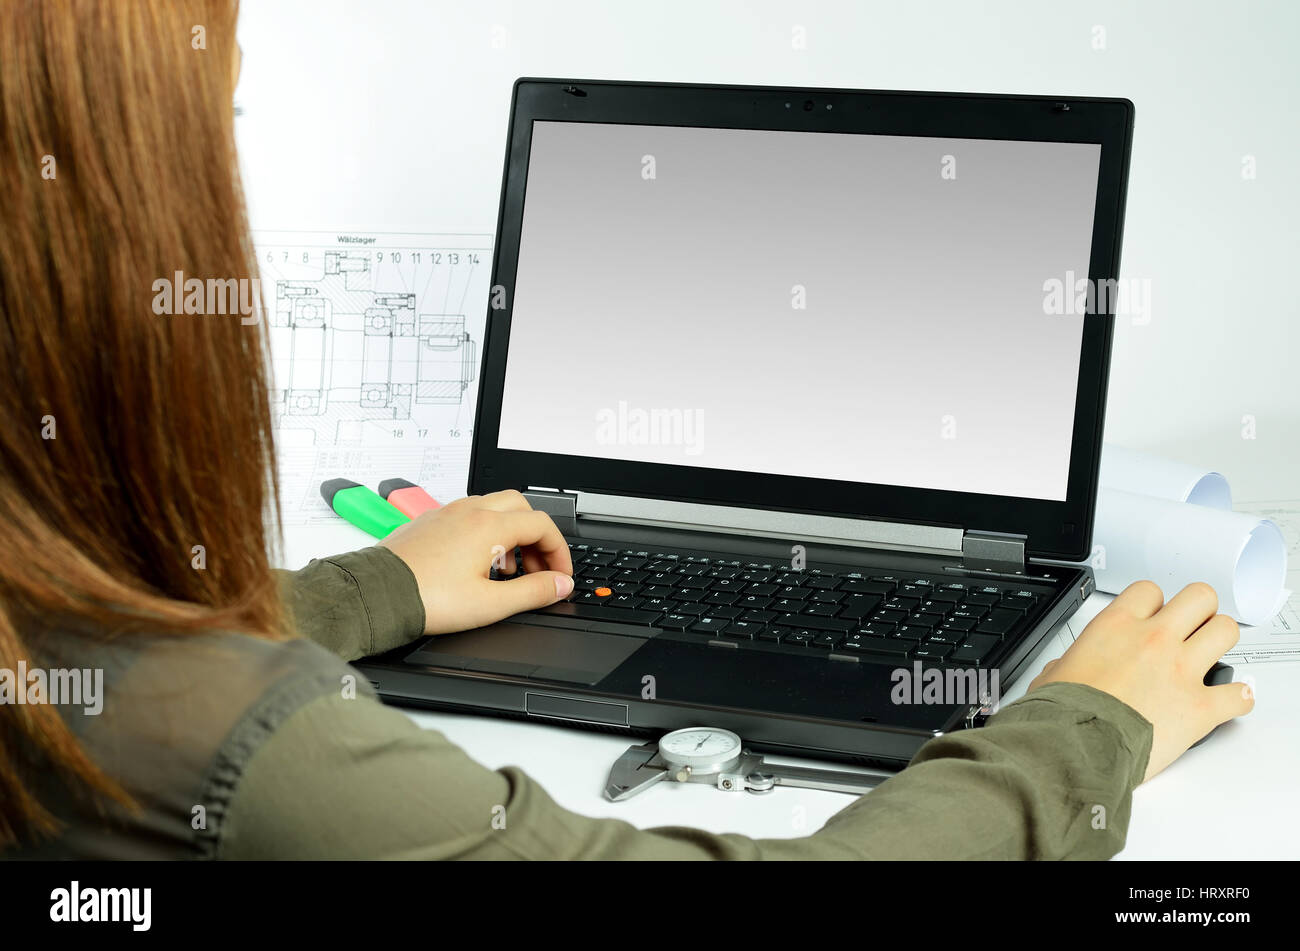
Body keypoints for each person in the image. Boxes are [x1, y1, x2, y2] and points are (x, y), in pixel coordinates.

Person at [0, 0, 1252, 860]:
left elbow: (102, 645)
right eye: (214, 140)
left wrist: (367, 589)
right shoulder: (248, 751)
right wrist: (1083, 727)